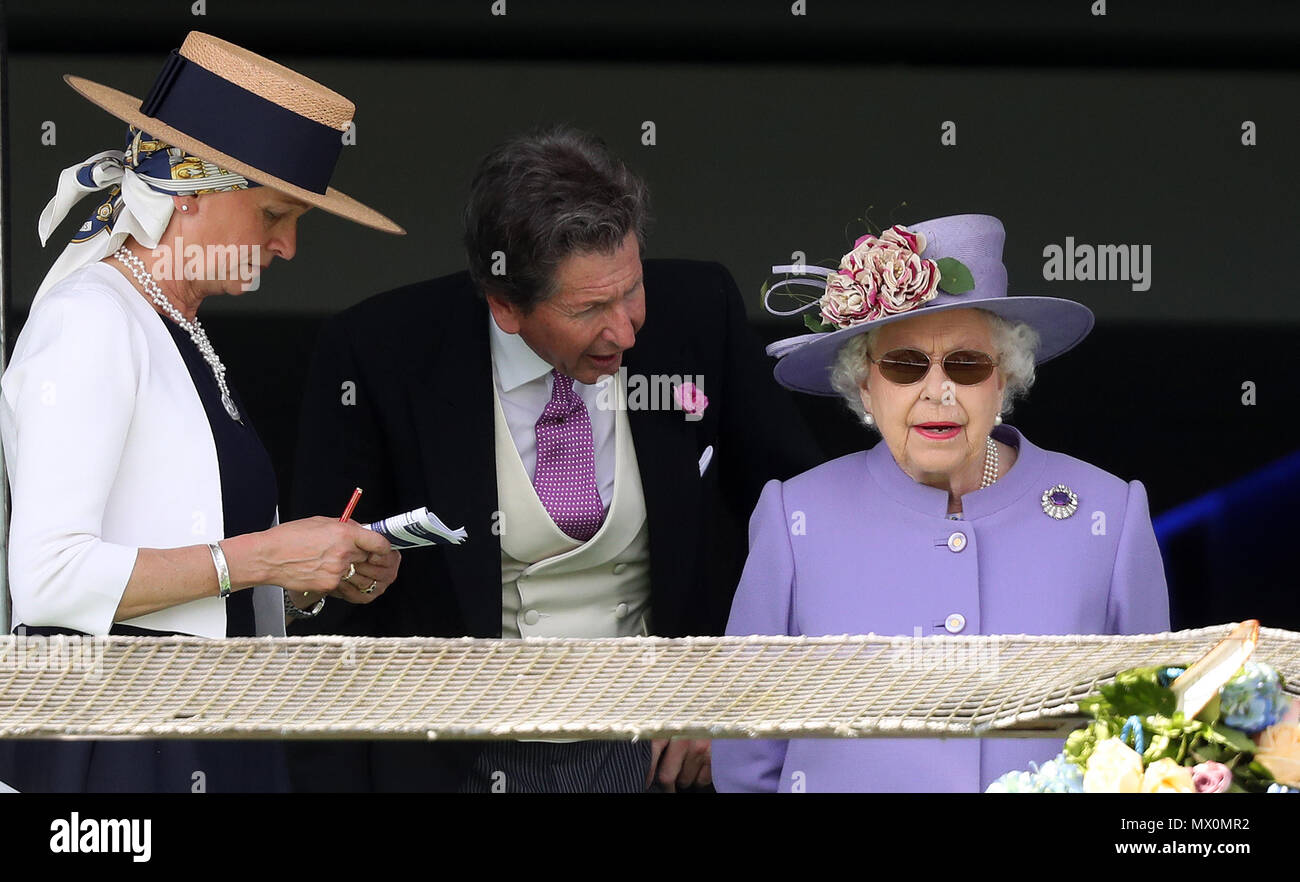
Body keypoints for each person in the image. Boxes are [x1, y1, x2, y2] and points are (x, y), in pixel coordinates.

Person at [288, 125, 823, 792]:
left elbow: (802, 523)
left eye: (631, 290)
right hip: (452, 762)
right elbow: (325, 604)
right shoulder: (378, 354)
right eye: (590, 308)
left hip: (652, 757)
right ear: (505, 305)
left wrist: (733, 701)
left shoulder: (698, 314)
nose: (625, 330)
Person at [0, 32, 404, 792]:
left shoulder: (173, 327)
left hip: (212, 728)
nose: (287, 246)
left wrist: (302, 576)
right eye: (275, 214)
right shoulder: (94, 318)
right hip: (119, 743)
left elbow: (176, 556)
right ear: (190, 190)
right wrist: (263, 558)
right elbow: (50, 580)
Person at [712, 214, 1170, 792]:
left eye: (967, 364)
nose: (938, 390)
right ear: (864, 387)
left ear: (1002, 381)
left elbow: (1149, 739)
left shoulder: (1109, 515)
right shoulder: (795, 517)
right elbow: (746, 759)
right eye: (905, 365)